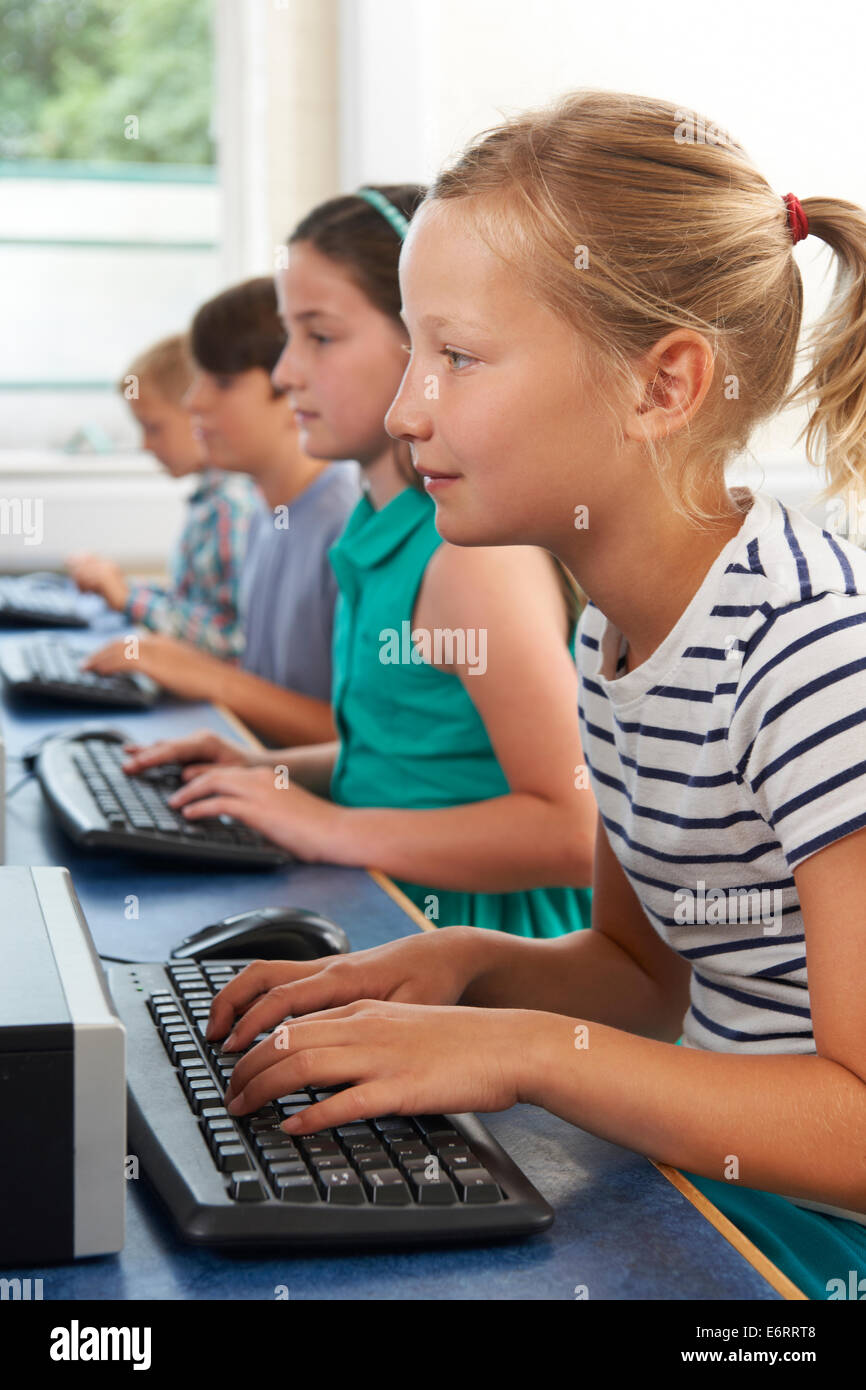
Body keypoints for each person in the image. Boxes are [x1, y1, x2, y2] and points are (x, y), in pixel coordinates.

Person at [188, 95, 866, 1299]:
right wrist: (459, 964)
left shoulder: (811, 652)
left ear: (661, 385)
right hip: (708, 1200)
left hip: (811, 1254)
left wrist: (523, 1050)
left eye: (456, 355)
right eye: (411, 351)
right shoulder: (618, 629)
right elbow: (637, 971)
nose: (407, 410)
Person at [123, 185, 597, 936]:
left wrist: (327, 826)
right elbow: (411, 763)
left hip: (485, 952)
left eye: (319, 336)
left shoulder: (469, 560)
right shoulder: (382, 525)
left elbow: (575, 832)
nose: (285, 374)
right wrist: (268, 770)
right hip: (390, 910)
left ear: (421, 337)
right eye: (287, 339)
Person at [84, 279, 361, 746]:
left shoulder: (347, 523)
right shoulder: (259, 508)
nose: (194, 402)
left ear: (293, 383)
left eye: (223, 382)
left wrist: (204, 675)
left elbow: (357, 740)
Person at [68, 333, 256, 658]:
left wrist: (128, 599)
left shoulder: (231, 507)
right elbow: (195, 606)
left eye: (153, 428)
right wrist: (122, 585)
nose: (144, 444)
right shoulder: (209, 498)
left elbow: (230, 638)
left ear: (200, 411)